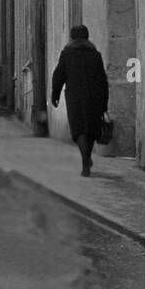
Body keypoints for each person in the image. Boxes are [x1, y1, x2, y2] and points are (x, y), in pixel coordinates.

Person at [50, 23, 109, 176]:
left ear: (72, 36)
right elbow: (102, 79)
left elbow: (59, 75)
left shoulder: (67, 53)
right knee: (90, 130)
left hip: (75, 96)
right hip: (94, 97)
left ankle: (85, 160)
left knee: (78, 130)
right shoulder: (95, 54)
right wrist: (104, 102)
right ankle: (87, 158)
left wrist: (55, 95)